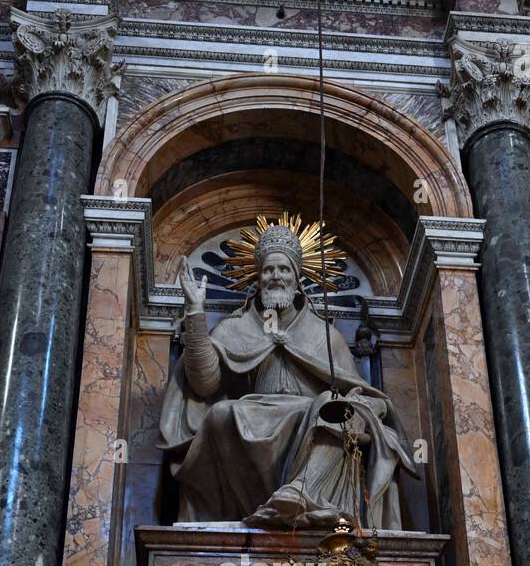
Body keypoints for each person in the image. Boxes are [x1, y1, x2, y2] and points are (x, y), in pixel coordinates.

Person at [159, 214, 418, 528]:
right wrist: (196, 312)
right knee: (220, 414)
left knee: (330, 404)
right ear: (258, 277)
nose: (275, 276)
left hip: (311, 414)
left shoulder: (324, 335)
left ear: (297, 278)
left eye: (283, 269)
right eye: (268, 269)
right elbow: (203, 384)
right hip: (255, 410)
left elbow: (358, 389)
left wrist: (366, 404)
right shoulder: (237, 327)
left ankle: (302, 491)